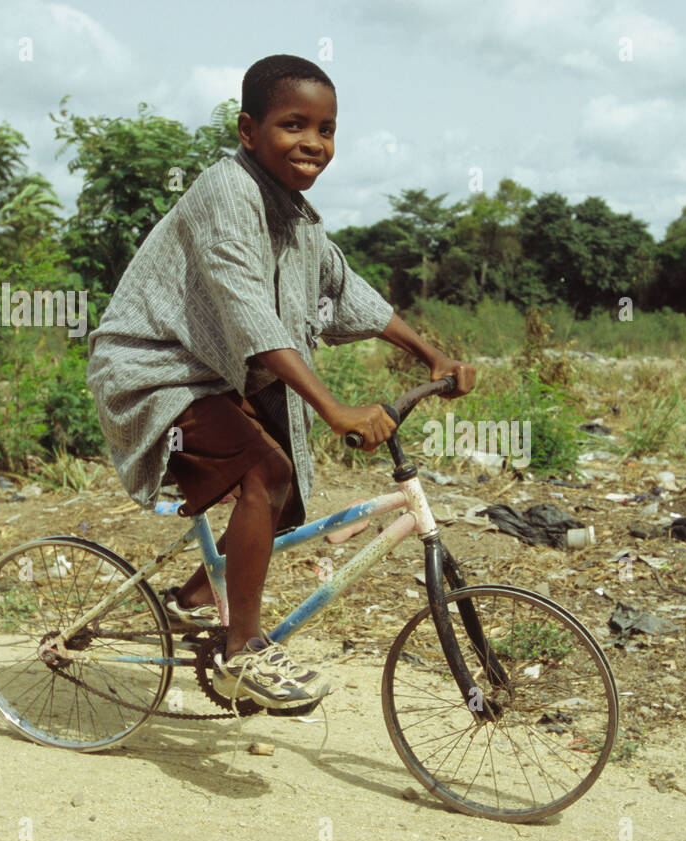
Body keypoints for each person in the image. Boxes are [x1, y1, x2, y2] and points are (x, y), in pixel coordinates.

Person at [87, 55, 475, 711]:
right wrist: (334, 408)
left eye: (325, 129)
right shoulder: (225, 193)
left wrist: (430, 355)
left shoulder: (295, 214)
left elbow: (346, 291)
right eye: (294, 124)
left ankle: (190, 603)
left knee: (287, 486)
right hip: (154, 372)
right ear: (248, 129)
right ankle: (242, 652)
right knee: (262, 473)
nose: (313, 144)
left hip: (214, 372)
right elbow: (249, 314)